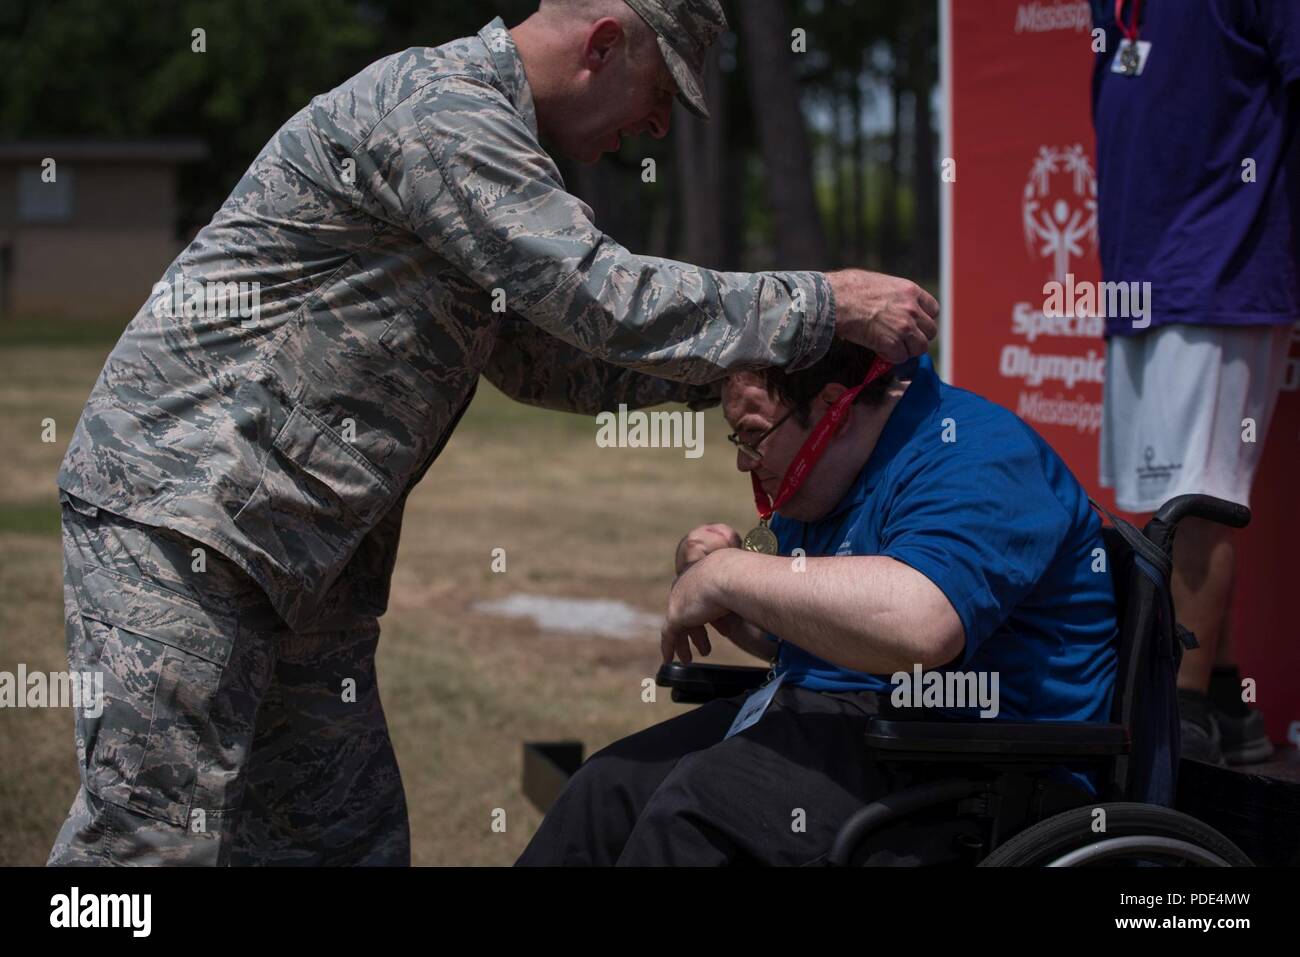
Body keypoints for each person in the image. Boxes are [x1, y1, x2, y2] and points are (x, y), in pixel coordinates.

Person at [48, 0, 939, 866]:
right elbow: (597, 296)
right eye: (661, 92)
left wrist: (746, 376)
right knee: (145, 840)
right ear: (602, 45)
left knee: (334, 839)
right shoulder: (447, 111)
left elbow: (546, 357)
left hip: (298, 554)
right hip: (185, 515)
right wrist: (822, 302)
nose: (659, 127)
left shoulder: (501, 153)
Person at [516, 342, 1118, 866]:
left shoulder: (976, 453)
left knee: (696, 818)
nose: (741, 460)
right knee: (607, 788)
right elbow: (817, 634)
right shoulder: (840, 468)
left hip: (973, 764)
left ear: (833, 407)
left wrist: (733, 574)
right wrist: (725, 584)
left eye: (754, 434)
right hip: (862, 722)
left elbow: (920, 627)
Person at [1091, 0, 1299, 764]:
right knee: (1173, 505)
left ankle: (1179, 728)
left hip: (1225, 263)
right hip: (1135, 275)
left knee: (1200, 501)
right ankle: (1223, 698)